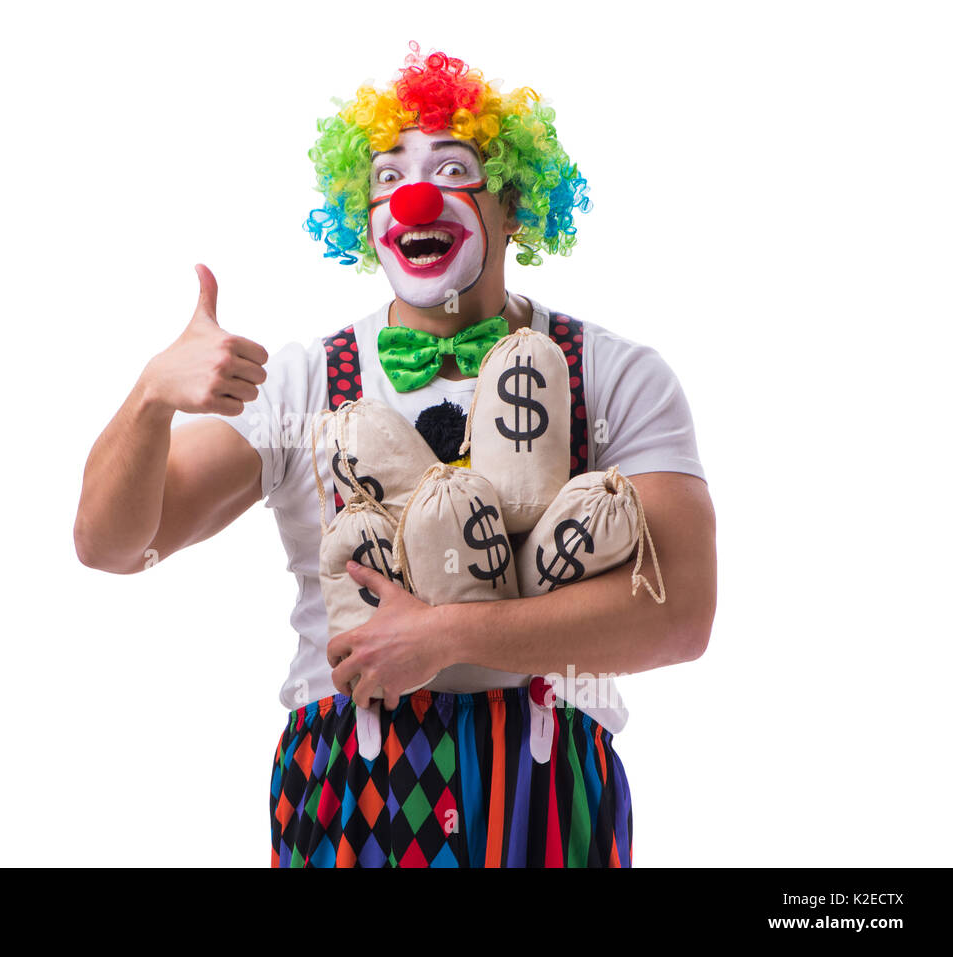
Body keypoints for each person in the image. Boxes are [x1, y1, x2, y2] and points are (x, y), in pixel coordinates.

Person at [73, 43, 716, 868]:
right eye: (387, 177)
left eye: (453, 169)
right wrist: (151, 398)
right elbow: (113, 544)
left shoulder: (612, 372)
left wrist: (446, 635)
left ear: (516, 203)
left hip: (548, 787)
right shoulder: (304, 380)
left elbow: (680, 612)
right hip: (350, 787)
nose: (413, 192)